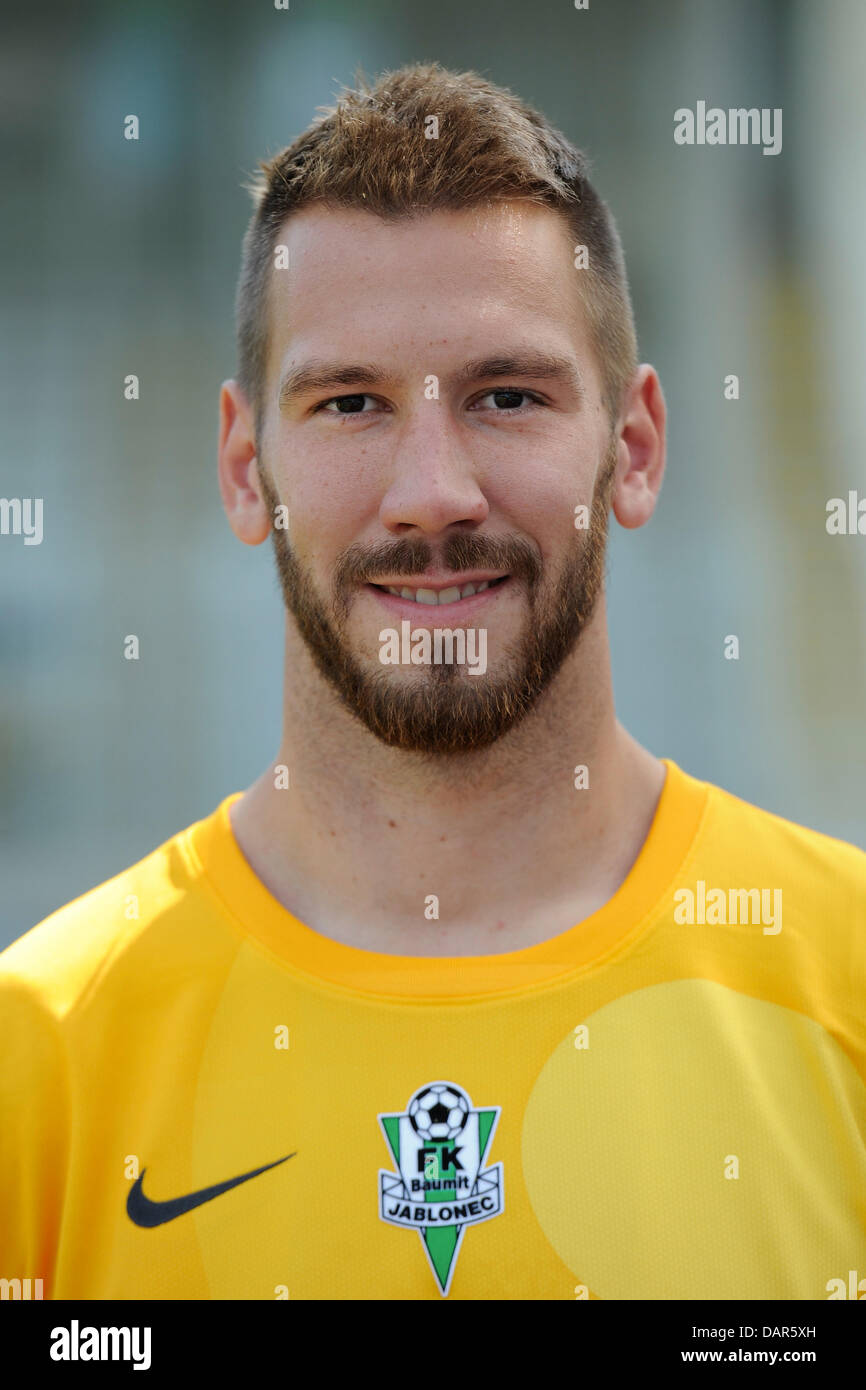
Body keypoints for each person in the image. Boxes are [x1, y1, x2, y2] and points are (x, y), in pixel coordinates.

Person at [1, 62, 864, 1303]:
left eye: (505, 396)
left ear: (633, 446)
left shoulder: (843, 980)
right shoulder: (41, 1049)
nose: (432, 492)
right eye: (349, 403)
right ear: (246, 468)